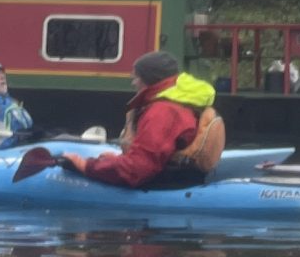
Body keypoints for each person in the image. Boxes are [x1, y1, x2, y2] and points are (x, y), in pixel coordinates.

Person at [59, 50, 222, 188]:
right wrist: (114, 161)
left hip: (168, 182)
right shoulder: (181, 101)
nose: (133, 82)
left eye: (136, 77)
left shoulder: (162, 111)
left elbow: (137, 169)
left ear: (150, 79)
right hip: (180, 174)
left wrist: (85, 165)